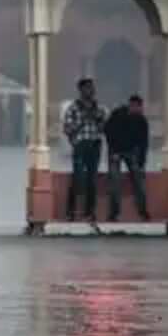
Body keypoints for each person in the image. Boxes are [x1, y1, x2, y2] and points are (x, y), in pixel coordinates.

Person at [63, 77, 107, 229]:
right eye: (88, 88)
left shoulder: (99, 108)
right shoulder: (73, 108)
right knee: (78, 177)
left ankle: (90, 212)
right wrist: (82, 122)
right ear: (81, 90)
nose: (91, 91)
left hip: (95, 144)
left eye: (92, 88)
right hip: (80, 145)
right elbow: (67, 129)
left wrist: (97, 119)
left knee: (92, 180)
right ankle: (70, 210)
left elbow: (103, 129)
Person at [105, 94, 151, 222]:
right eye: (136, 107)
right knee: (115, 180)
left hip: (131, 151)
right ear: (131, 106)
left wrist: (141, 163)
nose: (138, 110)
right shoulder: (117, 114)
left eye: (139, 108)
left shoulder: (142, 121)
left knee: (139, 179)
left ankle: (142, 210)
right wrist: (113, 151)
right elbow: (108, 131)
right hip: (115, 151)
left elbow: (143, 144)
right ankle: (114, 213)